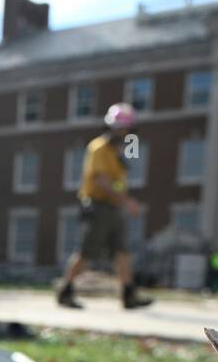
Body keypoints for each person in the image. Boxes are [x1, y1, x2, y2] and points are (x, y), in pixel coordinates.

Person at [57, 102, 151, 310]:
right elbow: (101, 180)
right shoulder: (98, 147)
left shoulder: (117, 153)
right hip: (98, 207)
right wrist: (127, 201)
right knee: (86, 253)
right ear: (112, 128)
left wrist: (124, 201)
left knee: (122, 251)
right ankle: (66, 290)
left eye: (126, 129)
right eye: (120, 128)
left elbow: (118, 183)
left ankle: (129, 293)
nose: (123, 132)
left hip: (114, 207)